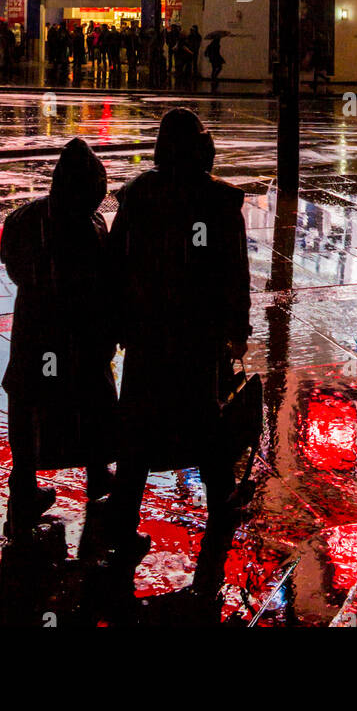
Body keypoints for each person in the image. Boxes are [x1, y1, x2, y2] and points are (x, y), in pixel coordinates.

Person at [105, 109, 250, 559]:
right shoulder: (220, 203)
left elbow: (115, 265)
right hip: (198, 332)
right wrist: (237, 329)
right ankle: (219, 508)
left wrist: (118, 323)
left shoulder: (138, 197)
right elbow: (235, 274)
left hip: (148, 332)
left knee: (138, 426)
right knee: (207, 419)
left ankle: (124, 516)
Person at [0, 138, 118, 538]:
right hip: (81, 332)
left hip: (36, 330)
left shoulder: (23, 221)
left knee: (29, 401)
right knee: (94, 399)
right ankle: (98, 474)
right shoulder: (95, 227)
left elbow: (14, 265)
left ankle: (25, 487)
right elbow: (105, 280)